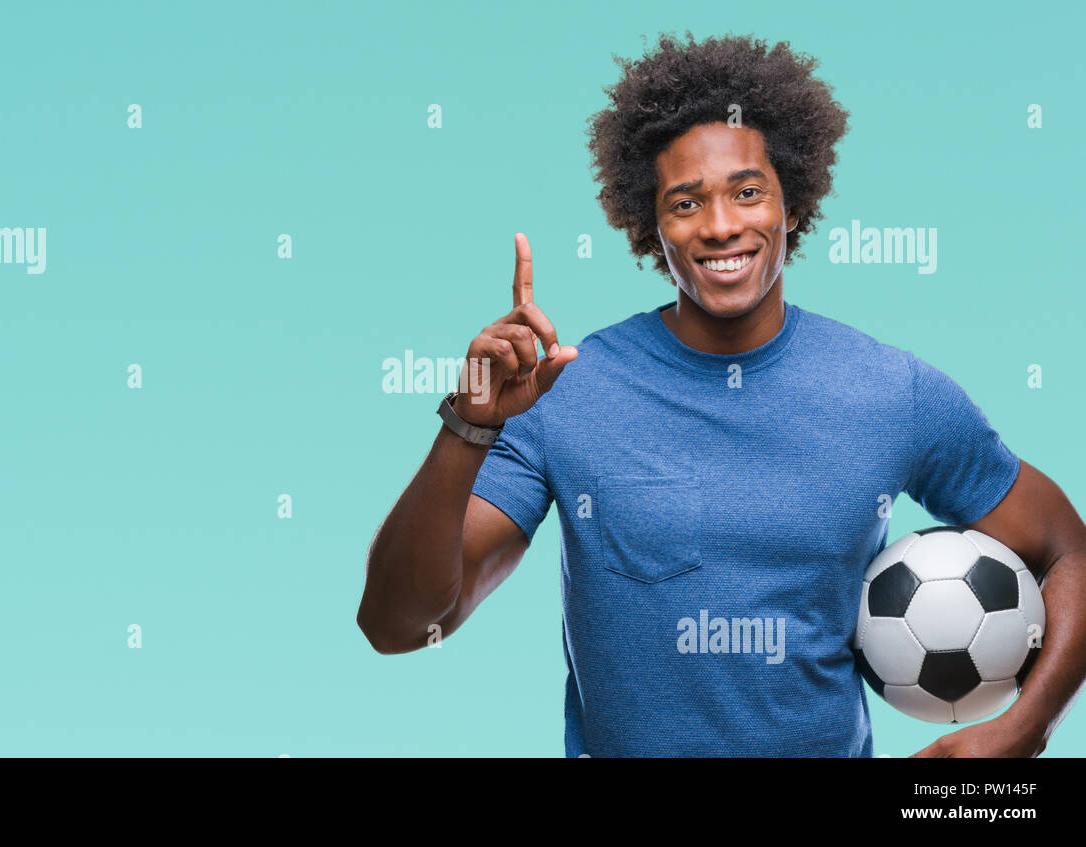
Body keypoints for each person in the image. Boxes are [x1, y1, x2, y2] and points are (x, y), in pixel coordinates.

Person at [357, 32, 1086, 757]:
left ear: (791, 205)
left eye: (747, 192)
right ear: (652, 230)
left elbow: (1067, 553)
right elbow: (398, 624)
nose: (721, 226)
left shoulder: (894, 392)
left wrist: (1025, 727)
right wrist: (467, 425)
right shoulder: (562, 390)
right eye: (686, 203)